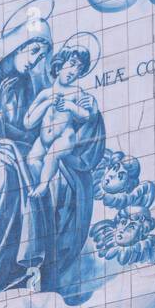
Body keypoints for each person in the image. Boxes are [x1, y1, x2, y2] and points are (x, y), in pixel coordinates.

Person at [25, 45, 97, 198]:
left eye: (79, 68)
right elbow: (28, 121)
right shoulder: (45, 94)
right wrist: (47, 103)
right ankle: (45, 188)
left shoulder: (75, 92)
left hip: (65, 137)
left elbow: (85, 116)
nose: (74, 71)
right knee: (32, 160)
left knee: (53, 154)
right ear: (58, 66)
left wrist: (71, 106)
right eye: (71, 64)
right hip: (43, 140)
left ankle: (44, 185)